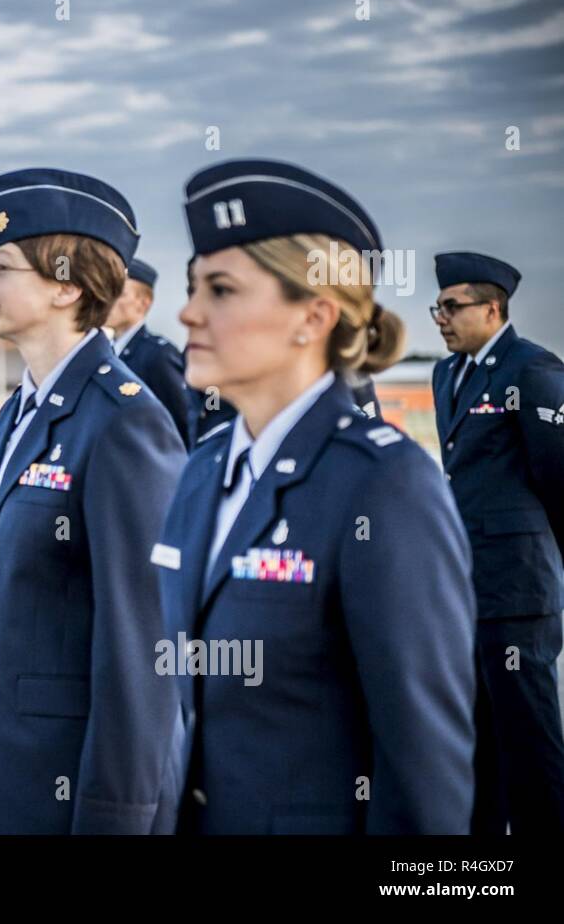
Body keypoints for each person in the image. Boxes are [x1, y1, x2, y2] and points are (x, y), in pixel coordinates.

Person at [157, 158, 476, 833]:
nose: (187, 312)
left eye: (220, 289)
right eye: (192, 287)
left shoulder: (383, 486)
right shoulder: (204, 469)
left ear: (314, 315)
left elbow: (424, 771)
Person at [0, 168, 187, 834]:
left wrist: (119, 814)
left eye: (1, 267)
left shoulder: (124, 424)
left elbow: (142, 646)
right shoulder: (15, 417)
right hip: (2, 772)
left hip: (70, 789)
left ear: (66, 285)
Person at [431, 250, 564, 834]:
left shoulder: (531, 370)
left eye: (452, 306)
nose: (441, 317)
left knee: (529, 741)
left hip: (517, 589)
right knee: (475, 742)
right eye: (437, 306)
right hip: (465, 587)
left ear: (492, 308)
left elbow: (558, 479)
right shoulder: (447, 374)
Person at [108, 258, 191, 446]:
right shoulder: (109, 353)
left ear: (143, 303)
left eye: (119, 293)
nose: (107, 300)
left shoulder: (158, 355)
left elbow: (183, 422)